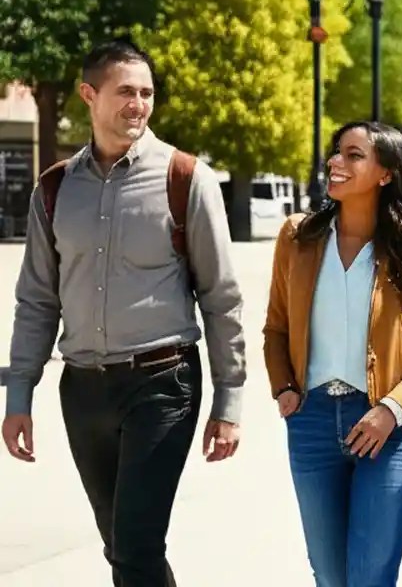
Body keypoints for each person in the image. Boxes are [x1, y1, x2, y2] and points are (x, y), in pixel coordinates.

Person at [2, 37, 247, 585]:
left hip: (162, 385)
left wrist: (229, 400)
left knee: (136, 544)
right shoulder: (55, 188)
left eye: (147, 93)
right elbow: (37, 298)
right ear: (89, 95)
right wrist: (20, 394)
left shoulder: (185, 179)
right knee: (122, 546)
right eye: (125, 92)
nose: (138, 104)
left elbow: (221, 296)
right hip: (83, 391)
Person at [262, 121, 402, 586]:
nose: (336, 162)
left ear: (385, 173)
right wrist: (285, 387)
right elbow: (275, 327)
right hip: (311, 423)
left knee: (370, 577)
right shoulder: (297, 238)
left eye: (354, 155)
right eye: (337, 152)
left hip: (390, 431)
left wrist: (392, 410)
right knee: (330, 576)